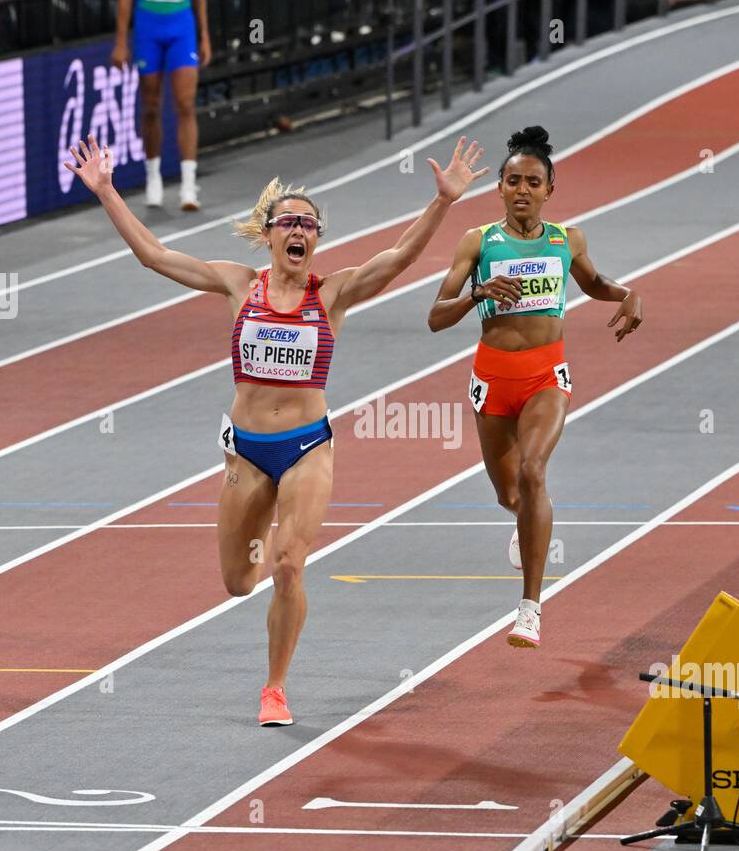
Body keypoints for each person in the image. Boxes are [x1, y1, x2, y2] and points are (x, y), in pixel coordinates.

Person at [65, 133, 488, 724]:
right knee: (239, 582)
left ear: (317, 239)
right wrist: (108, 191)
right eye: (288, 222)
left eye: (309, 225)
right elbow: (156, 257)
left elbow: (398, 260)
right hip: (246, 453)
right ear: (268, 235)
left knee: (290, 563)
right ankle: (263, 523)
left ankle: (275, 688)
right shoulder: (240, 284)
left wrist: (442, 203)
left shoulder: (333, 292)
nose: (299, 231)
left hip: (307, 447)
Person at [428, 126, 642, 649]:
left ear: (550, 189)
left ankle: (529, 609)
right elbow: (436, 317)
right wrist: (478, 294)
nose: (522, 189)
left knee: (533, 471)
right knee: (511, 495)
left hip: (547, 376)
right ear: (499, 188)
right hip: (492, 378)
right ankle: (525, 526)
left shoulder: (567, 239)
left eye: (532, 182)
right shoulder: (477, 242)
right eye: (512, 181)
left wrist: (626, 293)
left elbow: (591, 283)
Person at [112, 0, 211, 211]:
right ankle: (153, 177)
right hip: (149, 29)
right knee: (151, 106)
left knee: (186, 104)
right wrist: (121, 42)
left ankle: (188, 184)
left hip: (182, 28)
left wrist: (205, 35)